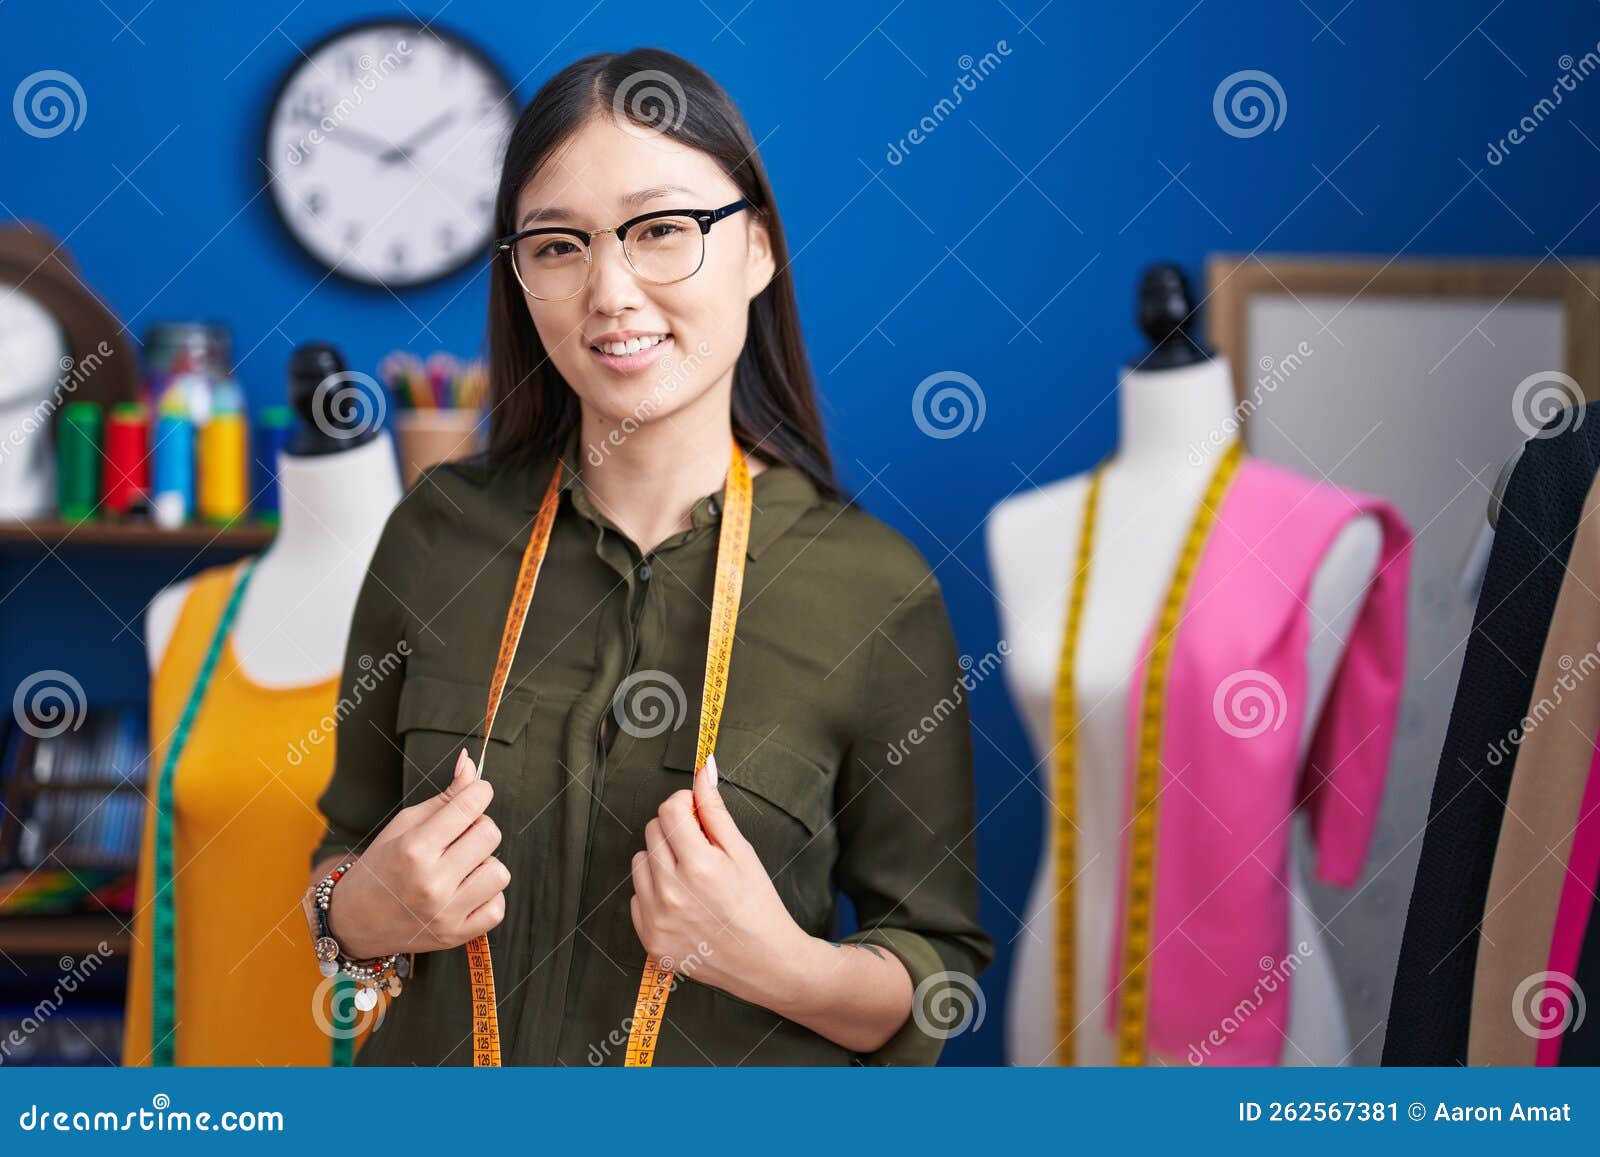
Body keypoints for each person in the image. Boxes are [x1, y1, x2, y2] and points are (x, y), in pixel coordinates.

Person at [306, 46, 993, 1065]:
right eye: (557, 245)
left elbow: (937, 971)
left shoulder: (875, 589)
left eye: (662, 229)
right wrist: (360, 913)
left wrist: (777, 963)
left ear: (757, 246)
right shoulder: (435, 532)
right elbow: (340, 861)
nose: (610, 290)